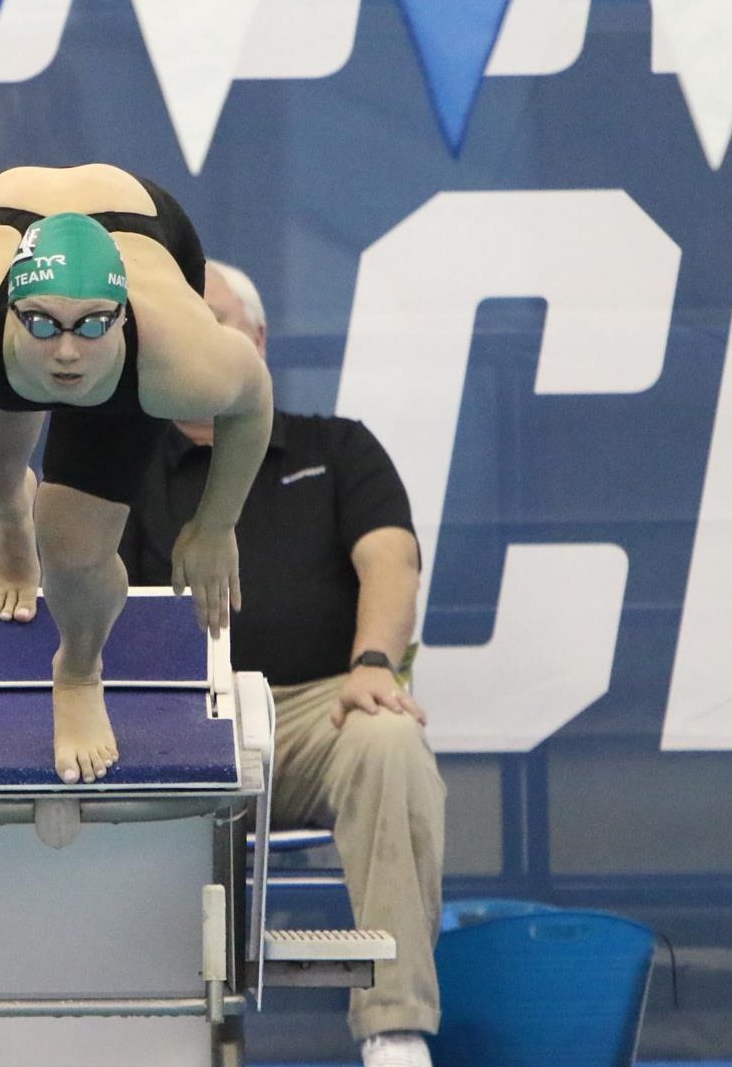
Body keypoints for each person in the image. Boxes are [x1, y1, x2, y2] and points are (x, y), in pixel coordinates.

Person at [120, 260, 444, 1067]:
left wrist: (375, 663)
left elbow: (391, 561)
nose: (204, 338)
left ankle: (394, 1029)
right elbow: (90, 596)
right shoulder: (121, 473)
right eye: (180, 324)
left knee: (389, 739)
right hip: (170, 719)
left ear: (258, 340)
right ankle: (147, 1035)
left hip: (316, 711)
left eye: (219, 319)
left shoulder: (339, 449)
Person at [0, 164, 273, 785]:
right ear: (8, 313)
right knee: (3, 447)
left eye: (92, 325)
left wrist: (215, 523)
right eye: (40, 324)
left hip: (144, 222)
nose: (67, 351)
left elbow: (254, 399)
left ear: (122, 317)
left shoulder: (176, 355)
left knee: (72, 543)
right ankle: (8, 508)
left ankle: (79, 671)